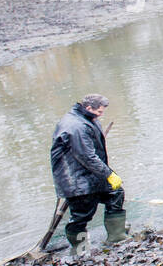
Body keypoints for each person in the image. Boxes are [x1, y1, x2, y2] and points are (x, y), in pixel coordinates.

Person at [49, 94, 127, 256]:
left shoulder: (87, 118)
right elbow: (87, 156)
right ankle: (80, 249)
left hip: (91, 174)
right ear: (88, 108)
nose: (101, 114)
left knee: (116, 193)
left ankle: (117, 237)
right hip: (75, 180)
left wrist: (107, 175)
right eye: (99, 111)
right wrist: (109, 174)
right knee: (81, 215)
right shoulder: (75, 126)